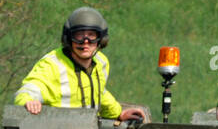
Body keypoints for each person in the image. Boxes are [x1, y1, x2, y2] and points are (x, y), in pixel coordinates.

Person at [14, 7, 146, 121]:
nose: (85, 42)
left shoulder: (101, 62)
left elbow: (98, 92)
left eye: (91, 35)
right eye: (79, 36)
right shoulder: (52, 64)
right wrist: (28, 101)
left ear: (101, 39)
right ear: (68, 39)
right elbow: (29, 88)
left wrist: (119, 113)